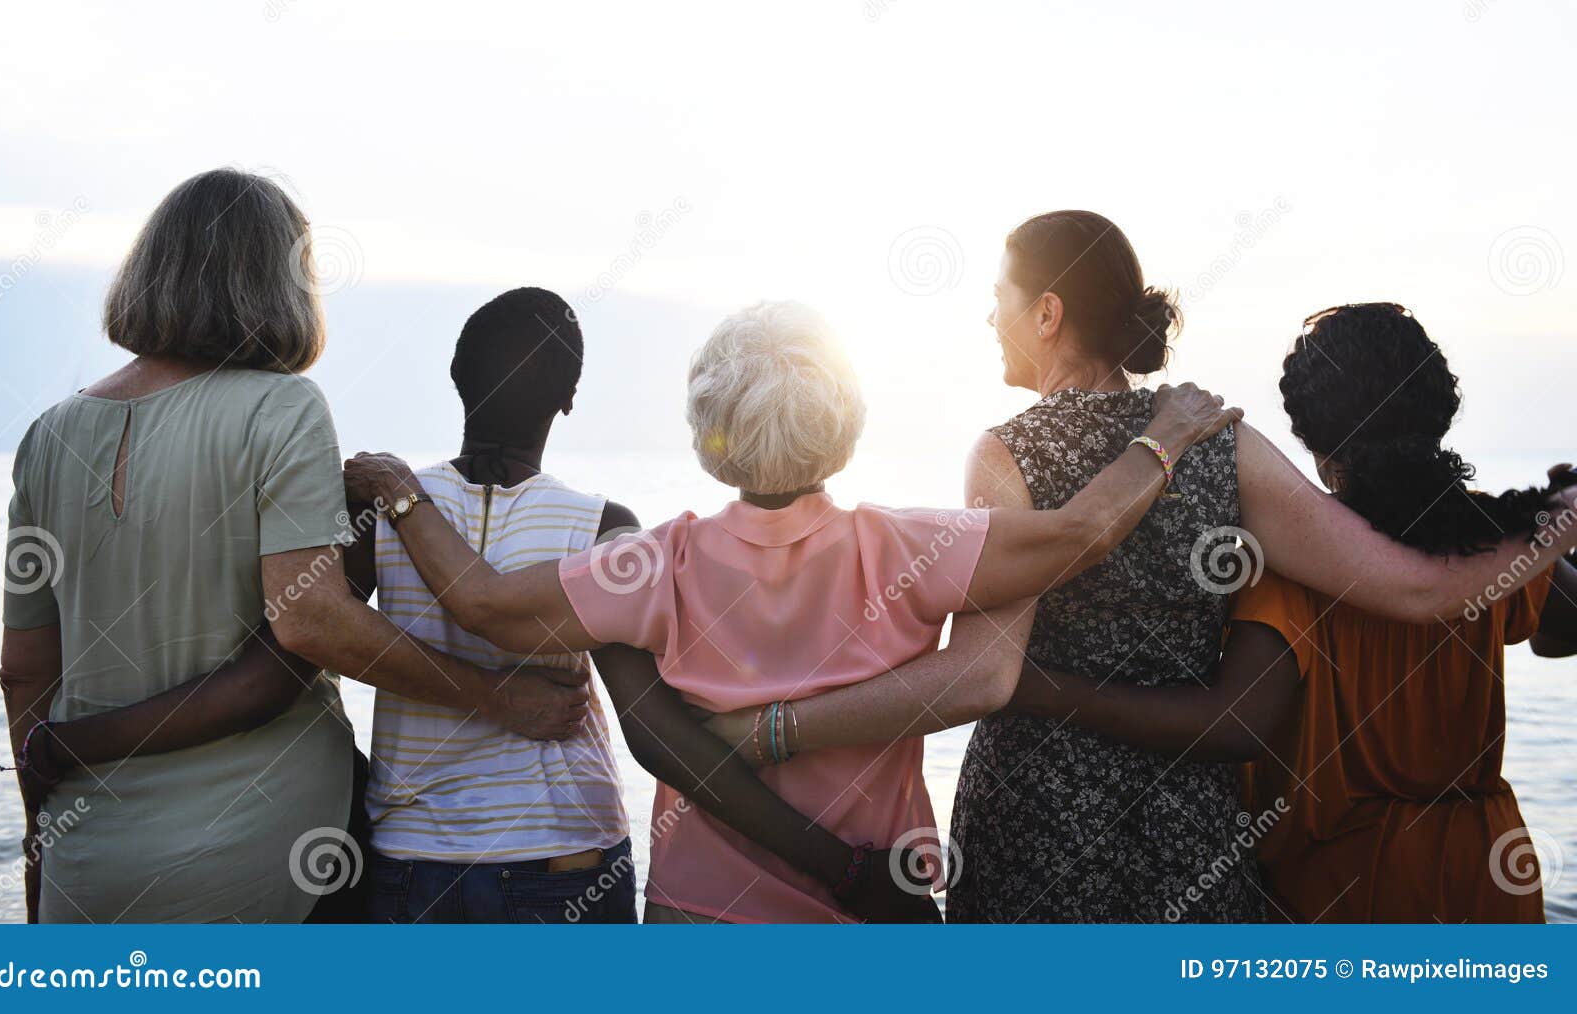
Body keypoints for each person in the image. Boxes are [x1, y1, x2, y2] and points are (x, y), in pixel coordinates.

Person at [688, 213, 1577, 923]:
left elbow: (986, 673)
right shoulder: (1224, 440)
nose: (986, 318)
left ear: (1048, 314)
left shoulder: (1007, 452)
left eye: (998, 298)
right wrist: (1552, 525)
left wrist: (773, 728)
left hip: (1038, 816)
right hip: (1189, 827)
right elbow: (1416, 586)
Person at [344, 298, 1245, 921]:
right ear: (843, 416)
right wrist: (1159, 440)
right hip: (868, 908)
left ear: (708, 424)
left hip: (701, 914)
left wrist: (399, 493)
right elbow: (1081, 535)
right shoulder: (909, 549)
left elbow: (483, 601)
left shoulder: (658, 561)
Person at [0, 170, 624, 922]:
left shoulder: (46, 437)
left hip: (94, 864)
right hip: (272, 857)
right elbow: (310, 623)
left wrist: (44, 842)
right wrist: (499, 698)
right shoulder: (281, 407)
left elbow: (24, 672)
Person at [1005, 303, 1577, 921]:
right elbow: (1560, 632)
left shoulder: (1296, 563)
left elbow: (1234, 725)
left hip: (1344, 888)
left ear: (1313, 437)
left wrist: (1042, 690)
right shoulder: (1493, 542)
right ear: (1437, 410)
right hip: (1487, 874)